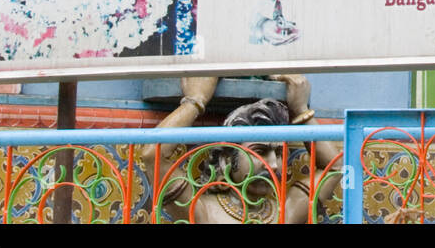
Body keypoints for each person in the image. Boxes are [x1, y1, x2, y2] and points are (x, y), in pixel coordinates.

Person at [142, 74, 340, 224]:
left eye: (278, 154)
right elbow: (153, 154)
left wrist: (301, 110)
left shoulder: (283, 212)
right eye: (260, 152)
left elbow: (336, 167)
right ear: (227, 159)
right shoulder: (204, 212)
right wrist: (196, 100)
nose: (272, 164)